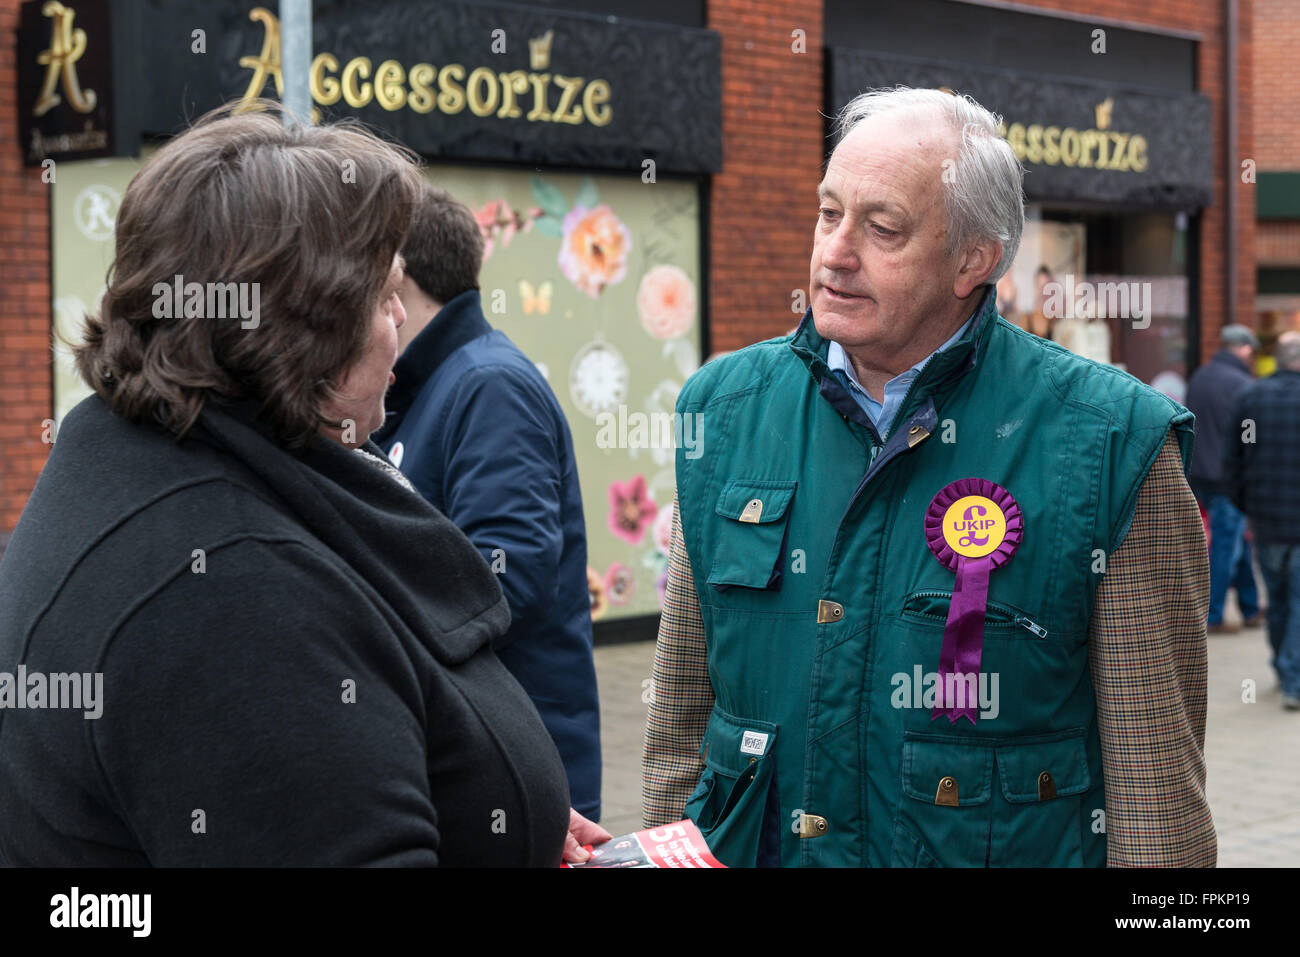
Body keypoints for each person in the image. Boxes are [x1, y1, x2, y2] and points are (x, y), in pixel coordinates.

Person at [0, 102, 609, 866]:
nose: (399, 320)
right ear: (302, 331)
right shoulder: (227, 595)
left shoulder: (152, 453)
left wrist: (493, 811)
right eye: (384, 296)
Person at [642, 86, 1215, 867]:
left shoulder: (1116, 445)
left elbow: (1157, 814)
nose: (836, 252)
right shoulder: (725, 409)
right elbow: (678, 736)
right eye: (828, 212)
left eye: (883, 228)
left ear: (972, 259)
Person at [372, 185, 603, 821]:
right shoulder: (429, 384)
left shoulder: (487, 385)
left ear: (403, 275)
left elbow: (508, 577)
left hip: (512, 768)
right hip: (474, 756)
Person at [1225, 335, 1300, 709]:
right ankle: (1293, 677)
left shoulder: (1250, 398)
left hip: (1267, 518)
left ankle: (1284, 666)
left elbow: (1233, 462)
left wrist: (1246, 505)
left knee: (1279, 597)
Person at [1185, 324, 1263, 633]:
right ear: (1243, 348)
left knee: (1234, 543)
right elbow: (1251, 438)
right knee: (1226, 546)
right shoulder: (1243, 383)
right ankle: (1213, 615)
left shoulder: (1200, 377)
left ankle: (1250, 607)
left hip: (1199, 473)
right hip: (1227, 478)